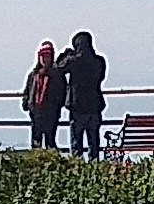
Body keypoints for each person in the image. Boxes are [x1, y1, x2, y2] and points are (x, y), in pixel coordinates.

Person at [59, 29, 108, 160]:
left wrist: (66, 54)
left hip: (77, 107)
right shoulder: (99, 61)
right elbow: (101, 77)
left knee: (76, 144)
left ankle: (78, 167)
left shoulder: (73, 61)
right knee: (94, 143)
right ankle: (95, 166)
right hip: (94, 105)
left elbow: (59, 67)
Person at [23, 41, 63, 151]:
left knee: (50, 142)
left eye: (48, 57)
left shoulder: (56, 75)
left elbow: (61, 92)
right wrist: (27, 103)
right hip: (35, 113)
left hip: (51, 113)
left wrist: (56, 105)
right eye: (43, 56)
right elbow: (27, 90)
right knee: (36, 142)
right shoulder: (33, 74)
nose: (45, 59)